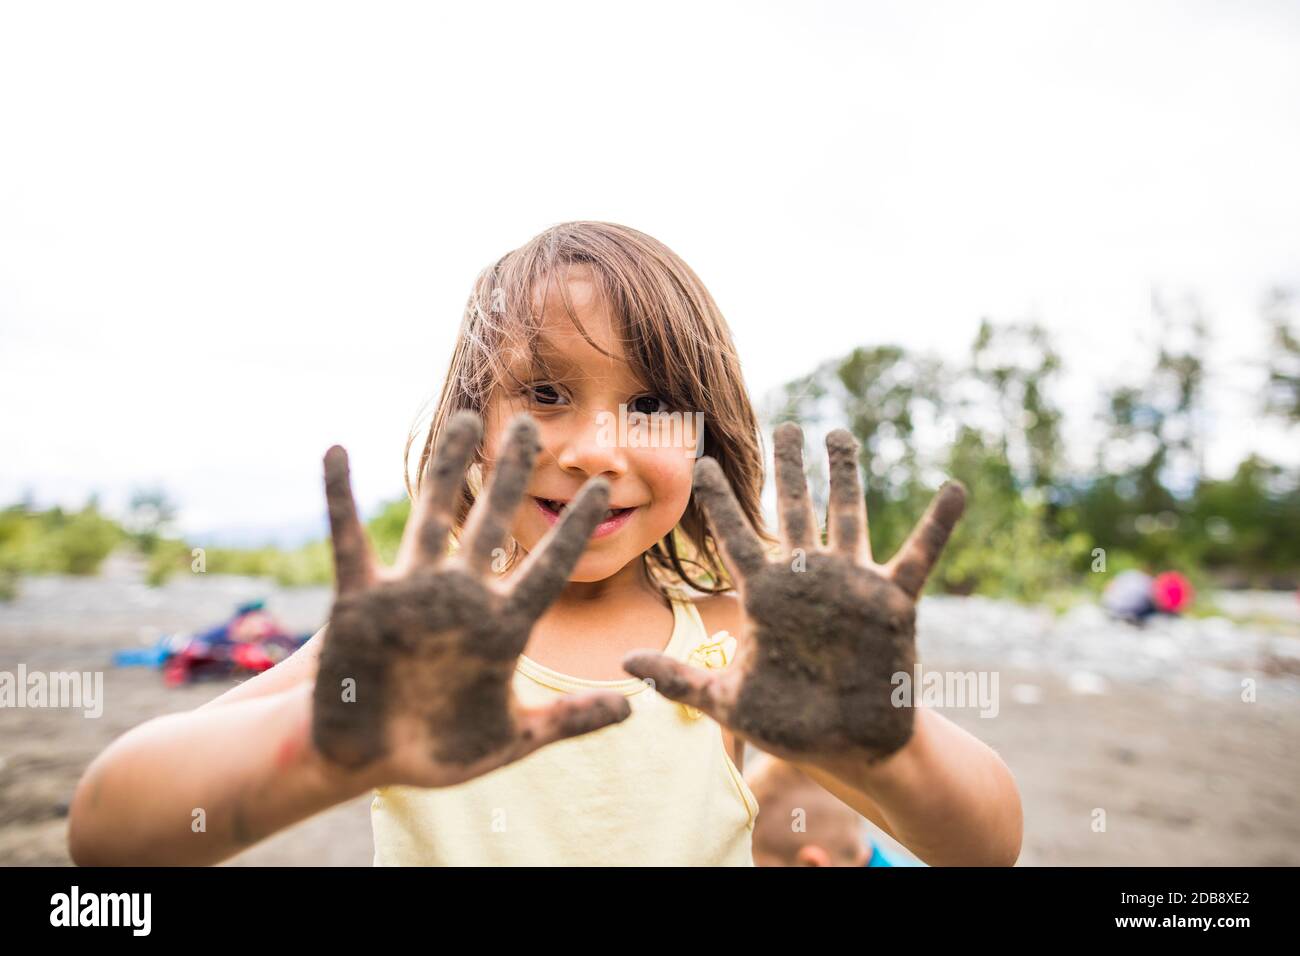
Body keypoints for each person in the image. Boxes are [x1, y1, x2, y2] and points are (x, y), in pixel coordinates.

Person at [67, 222, 1022, 866]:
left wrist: (880, 747)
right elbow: (111, 827)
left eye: (649, 404)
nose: (597, 451)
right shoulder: (423, 655)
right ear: (475, 423)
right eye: (548, 393)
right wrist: (325, 751)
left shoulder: (738, 644)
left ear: (704, 436)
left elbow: (986, 842)